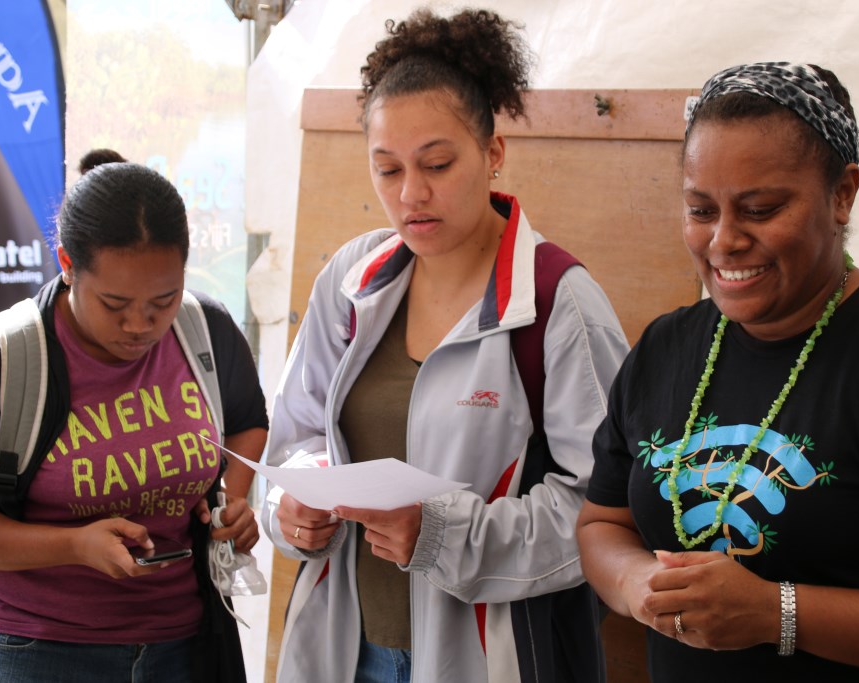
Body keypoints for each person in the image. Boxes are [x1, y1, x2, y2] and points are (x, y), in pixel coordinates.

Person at [576, 61, 859, 682]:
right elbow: (603, 522)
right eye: (700, 209)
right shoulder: (666, 346)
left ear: (842, 194)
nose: (723, 241)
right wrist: (637, 583)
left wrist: (778, 613)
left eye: (761, 208)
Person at [263, 8, 629, 683]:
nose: (411, 194)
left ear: (493, 154)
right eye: (387, 168)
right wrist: (290, 509)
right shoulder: (350, 282)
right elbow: (293, 438)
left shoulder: (558, 303)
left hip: (489, 658)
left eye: (436, 163)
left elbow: (606, 513)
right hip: (349, 650)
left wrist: (445, 534)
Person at [0, 156, 269, 682]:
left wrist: (231, 500)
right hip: (31, 649)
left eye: (163, 299)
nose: (140, 325)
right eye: (114, 303)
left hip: (184, 644)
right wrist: (73, 546)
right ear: (66, 262)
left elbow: (247, 420)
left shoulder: (206, 330)